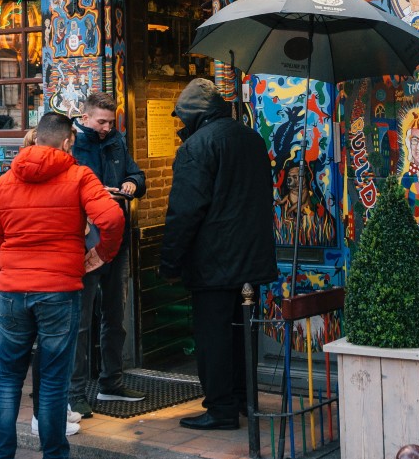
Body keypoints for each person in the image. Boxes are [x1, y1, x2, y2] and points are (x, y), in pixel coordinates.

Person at [0, 111, 124, 459]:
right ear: (66, 142)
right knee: (52, 381)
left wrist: (7, 272)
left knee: (10, 379)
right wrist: (99, 256)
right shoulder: (79, 176)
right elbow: (110, 219)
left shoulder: (5, 181)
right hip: (59, 291)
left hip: (13, 292)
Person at [161, 79, 275, 431]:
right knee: (243, 332)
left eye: (182, 117)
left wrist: (170, 261)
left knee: (214, 337)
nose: (180, 124)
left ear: (194, 115)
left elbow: (185, 209)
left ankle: (221, 408)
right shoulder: (252, 139)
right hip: (251, 259)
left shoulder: (197, 146)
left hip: (214, 262)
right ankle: (244, 399)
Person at [72, 91, 148, 413]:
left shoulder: (117, 140)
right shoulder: (73, 144)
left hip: (118, 238)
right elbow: (67, 189)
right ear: (86, 117)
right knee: (82, 318)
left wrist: (132, 183)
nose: (106, 127)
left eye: (110, 121)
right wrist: (94, 193)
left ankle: (110, 381)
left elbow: (137, 174)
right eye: (101, 122)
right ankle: (75, 391)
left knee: (115, 314)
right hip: (88, 241)